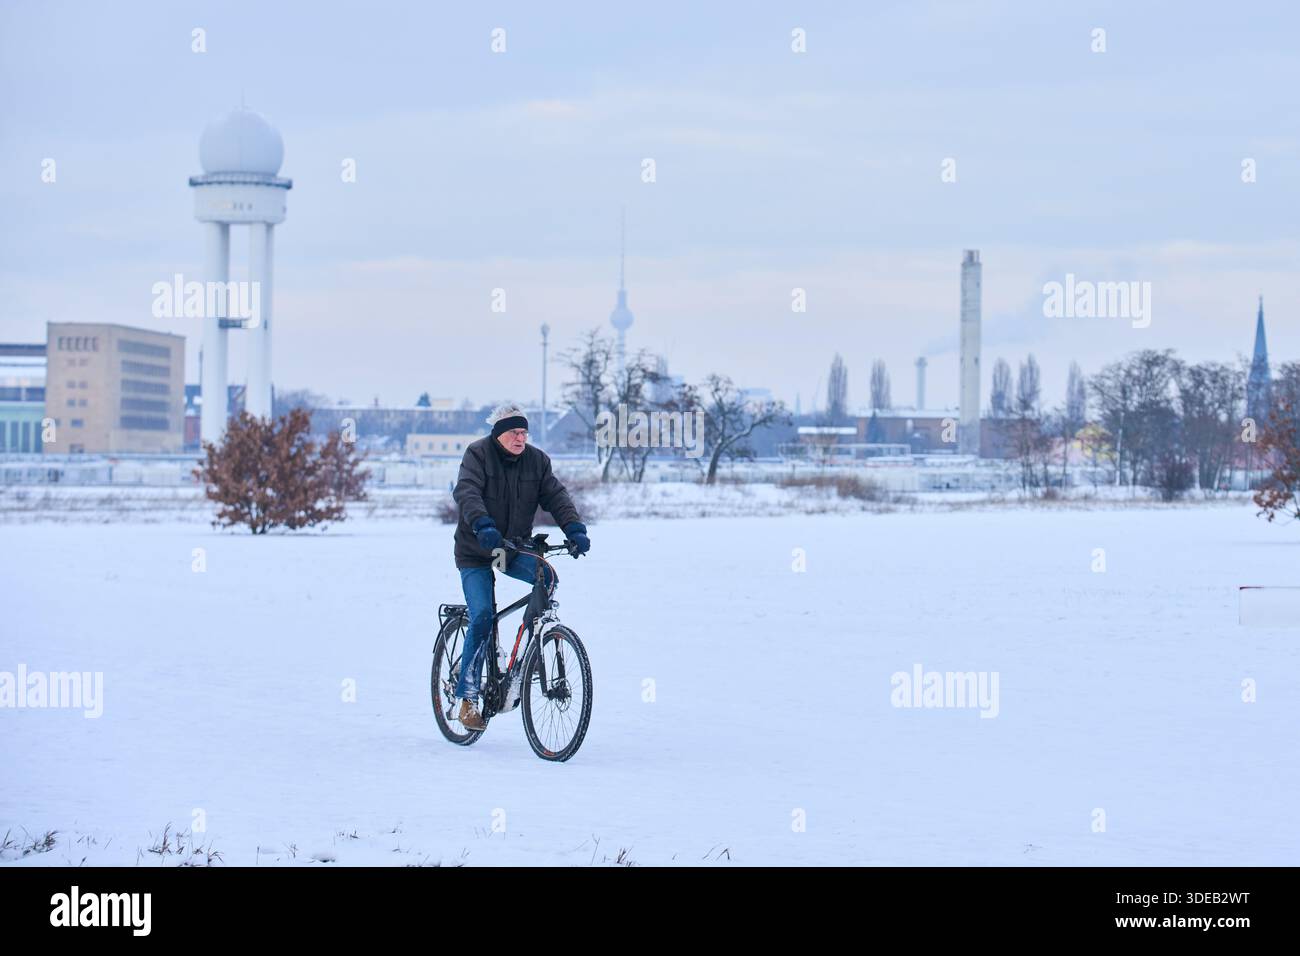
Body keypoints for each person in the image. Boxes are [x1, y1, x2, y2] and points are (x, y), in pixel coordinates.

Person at [451, 402, 590, 730]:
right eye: (515, 432)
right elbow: (466, 492)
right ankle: (468, 697)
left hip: (510, 550)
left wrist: (575, 529)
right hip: (476, 550)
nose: (521, 438)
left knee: (548, 578)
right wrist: (483, 526)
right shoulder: (478, 455)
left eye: (524, 432)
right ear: (499, 434)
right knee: (483, 614)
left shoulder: (536, 461)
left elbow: (555, 497)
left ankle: (524, 661)